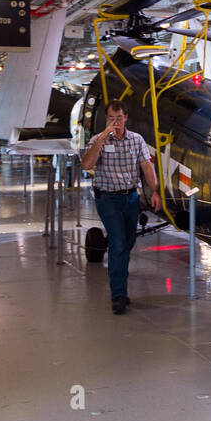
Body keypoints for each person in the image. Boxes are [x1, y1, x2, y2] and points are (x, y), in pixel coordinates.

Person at [81, 102, 162, 314]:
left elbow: (147, 166)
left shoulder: (136, 140)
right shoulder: (98, 140)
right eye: (111, 118)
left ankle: (120, 281)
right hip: (107, 199)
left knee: (127, 242)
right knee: (117, 243)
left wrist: (155, 191)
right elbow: (87, 165)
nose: (115, 123)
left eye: (118, 118)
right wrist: (101, 139)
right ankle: (119, 294)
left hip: (130, 198)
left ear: (125, 118)